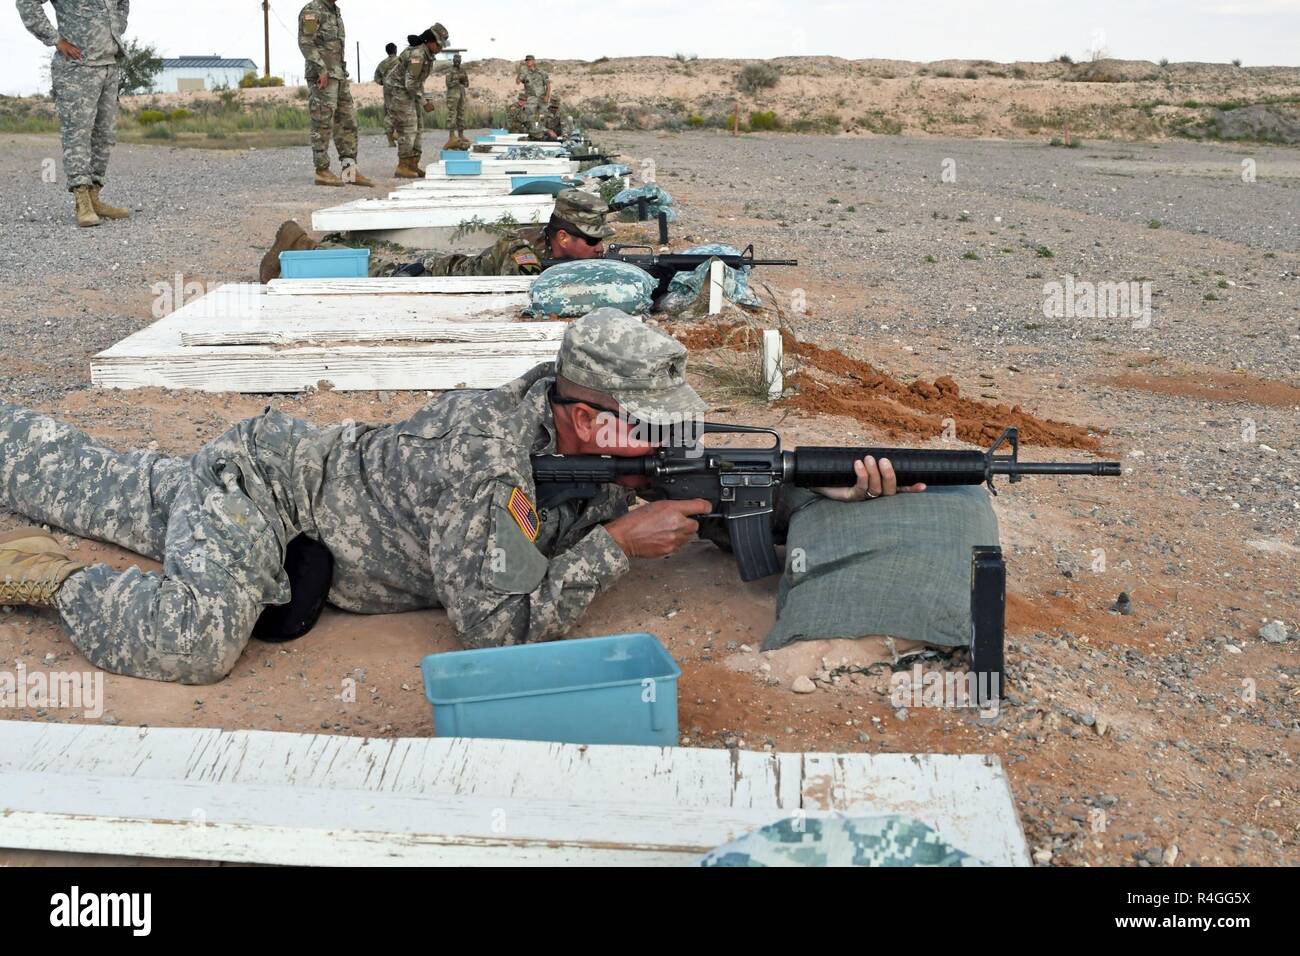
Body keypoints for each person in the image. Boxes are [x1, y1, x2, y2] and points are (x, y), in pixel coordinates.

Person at [0, 312, 916, 685]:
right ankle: (50, 578)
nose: (674, 439)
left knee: (89, 479)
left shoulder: (597, 439)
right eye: (653, 425)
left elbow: (719, 497)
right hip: (270, 497)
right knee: (196, 642)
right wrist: (614, 548)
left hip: (304, 484)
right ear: (589, 418)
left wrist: (819, 489)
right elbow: (494, 629)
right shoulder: (484, 463)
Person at [259, 189, 613, 282]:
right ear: (564, 238)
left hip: (445, 273)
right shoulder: (524, 253)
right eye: (594, 242)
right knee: (363, 273)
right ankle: (295, 249)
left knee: (367, 265)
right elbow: (530, 296)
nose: (601, 249)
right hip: (430, 277)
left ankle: (320, 245)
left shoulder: (544, 243)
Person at [17, 0, 132, 228]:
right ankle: (82, 201)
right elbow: (26, 3)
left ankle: (94, 197)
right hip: (77, 68)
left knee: (104, 137)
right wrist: (56, 40)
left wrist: (115, 30)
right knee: (77, 135)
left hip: (108, 65)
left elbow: (122, 3)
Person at [297, 0, 373, 187]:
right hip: (322, 77)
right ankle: (322, 171)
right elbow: (306, 43)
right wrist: (321, 69)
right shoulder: (312, 10)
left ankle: (349, 171)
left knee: (348, 122)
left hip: (338, 76)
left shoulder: (335, 12)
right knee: (322, 122)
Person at [384, 24, 450, 178]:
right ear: (430, 41)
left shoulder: (427, 54)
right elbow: (410, 83)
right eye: (439, 44)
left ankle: (413, 164)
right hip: (398, 91)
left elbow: (416, 83)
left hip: (409, 92)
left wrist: (424, 98)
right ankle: (403, 166)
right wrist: (424, 102)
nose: (440, 48)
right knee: (408, 127)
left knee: (418, 127)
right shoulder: (418, 55)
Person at [373, 41, 400, 147]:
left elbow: (376, 78)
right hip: (399, 89)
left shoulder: (382, 63)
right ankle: (397, 133)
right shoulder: (400, 61)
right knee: (400, 110)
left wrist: (384, 83)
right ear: (395, 50)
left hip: (387, 90)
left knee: (389, 112)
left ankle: (390, 140)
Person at [515, 54, 550, 127]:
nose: (528, 62)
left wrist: (547, 96)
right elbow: (518, 82)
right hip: (531, 99)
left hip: (542, 98)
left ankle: (542, 131)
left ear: (534, 61)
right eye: (527, 60)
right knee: (529, 116)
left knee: (543, 116)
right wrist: (520, 70)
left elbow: (548, 85)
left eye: (529, 60)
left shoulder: (542, 73)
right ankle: (531, 131)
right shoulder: (525, 73)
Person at [444, 52, 470, 151]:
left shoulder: (463, 70)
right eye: (456, 60)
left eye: (459, 60)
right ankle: (452, 136)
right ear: (453, 61)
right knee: (452, 114)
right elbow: (448, 84)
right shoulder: (449, 71)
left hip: (461, 94)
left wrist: (463, 81)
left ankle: (461, 135)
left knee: (461, 114)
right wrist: (457, 80)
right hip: (452, 95)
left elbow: (467, 84)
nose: (458, 62)